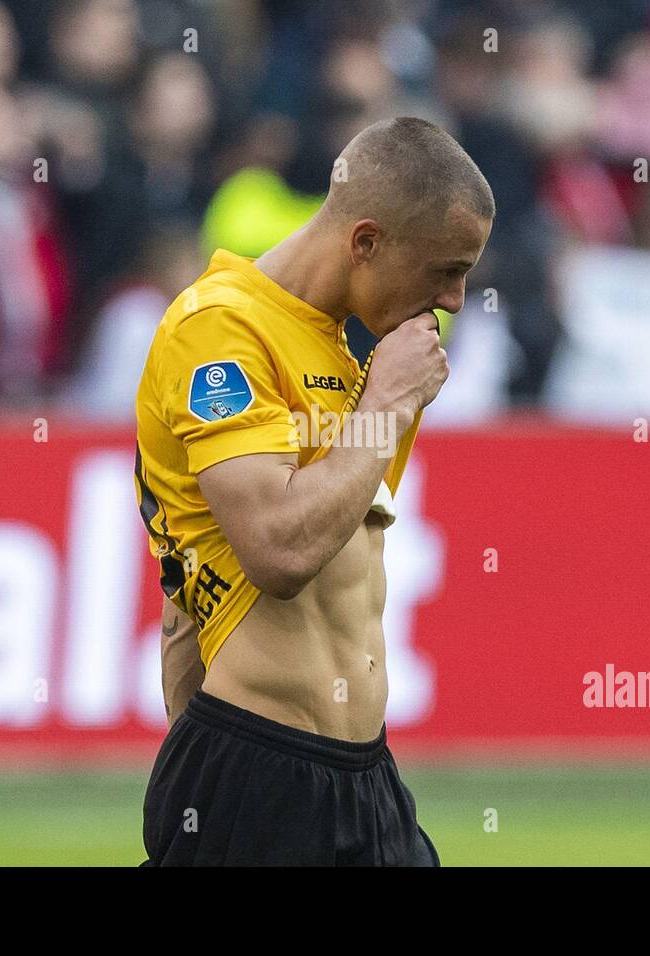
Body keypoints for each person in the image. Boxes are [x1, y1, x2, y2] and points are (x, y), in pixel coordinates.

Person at [133, 116, 493, 865]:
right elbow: (279, 552)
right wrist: (386, 408)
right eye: (444, 270)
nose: (455, 300)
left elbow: (195, 584)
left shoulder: (356, 350)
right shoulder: (220, 330)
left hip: (366, 777)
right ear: (366, 242)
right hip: (257, 773)